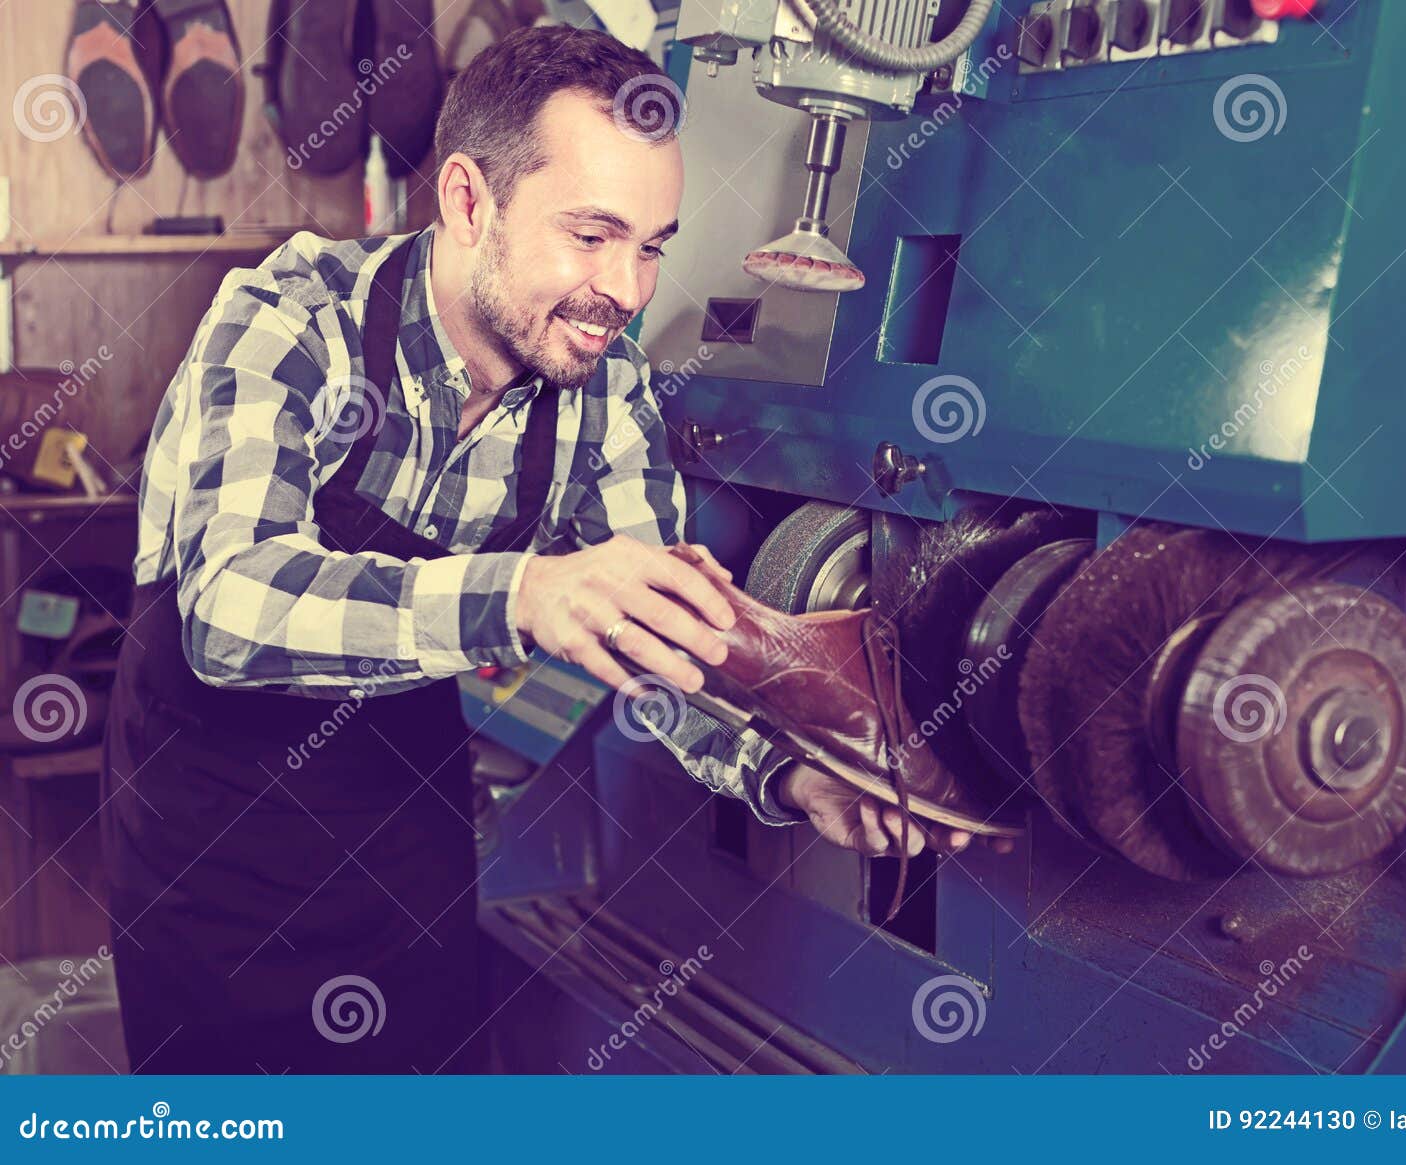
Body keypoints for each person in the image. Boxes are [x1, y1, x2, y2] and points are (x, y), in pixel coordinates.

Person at [100, 25, 991, 1075]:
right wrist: (522, 594)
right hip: (212, 830)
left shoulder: (602, 396)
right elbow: (231, 614)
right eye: (592, 234)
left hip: (398, 824)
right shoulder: (291, 323)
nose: (626, 289)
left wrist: (789, 774)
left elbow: (662, 645)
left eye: (653, 244)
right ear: (470, 203)